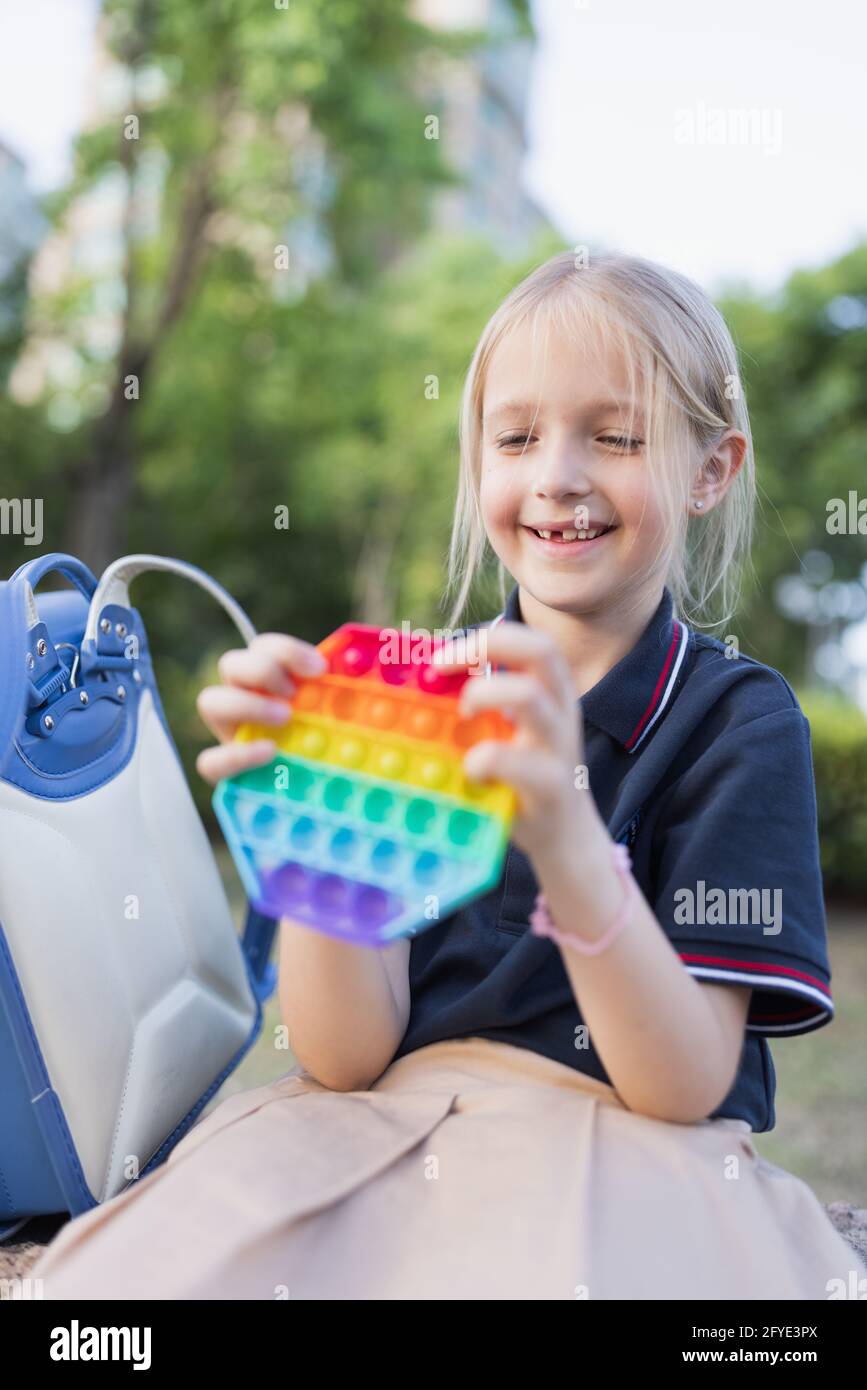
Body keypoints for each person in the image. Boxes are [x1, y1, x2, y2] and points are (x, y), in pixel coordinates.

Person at [31, 250, 863, 1300]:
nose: (557, 474)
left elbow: (685, 1082)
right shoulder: (413, 695)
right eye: (516, 437)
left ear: (711, 469)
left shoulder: (737, 721)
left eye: (615, 436)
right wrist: (317, 826)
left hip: (627, 1147)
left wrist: (564, 835)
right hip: (373, 1127)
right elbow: (343, 1055)